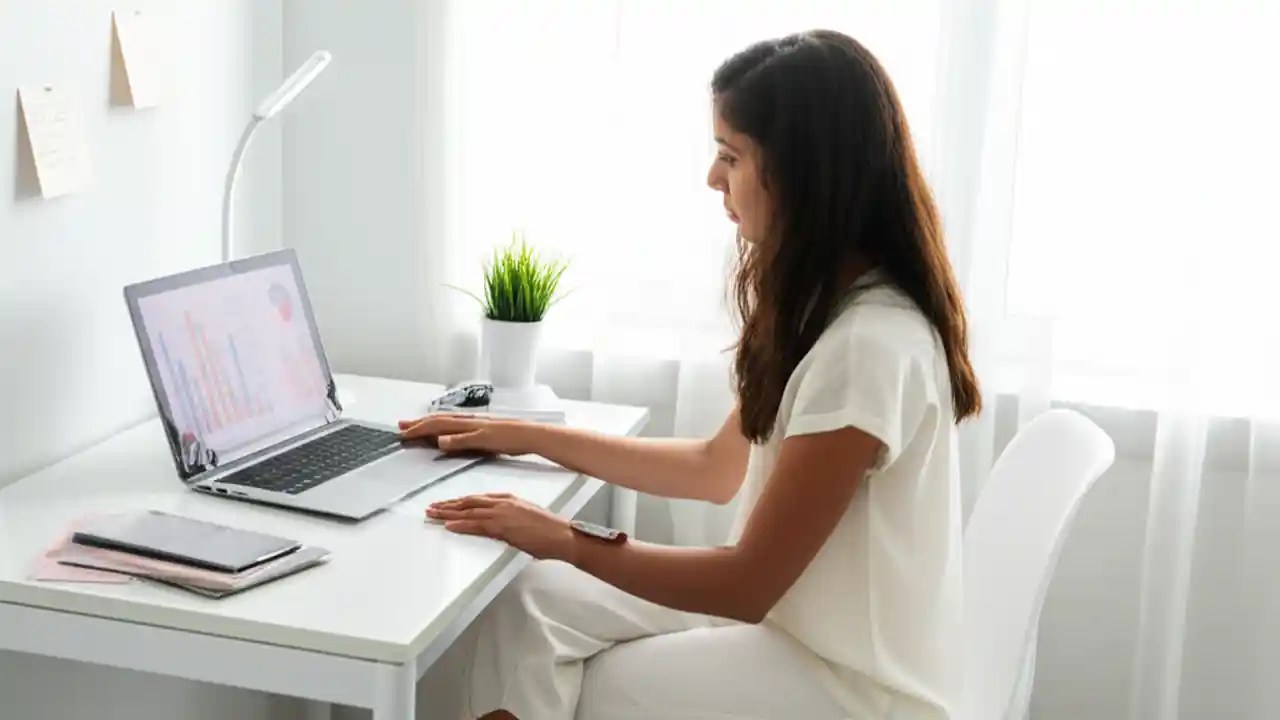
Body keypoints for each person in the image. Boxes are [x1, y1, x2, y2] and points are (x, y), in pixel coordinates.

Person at [399, 29, 981, 720]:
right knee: (533, 600)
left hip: (849, 686)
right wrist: (525, 434)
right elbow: (713, 466)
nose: (713, 178)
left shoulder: (868, 346)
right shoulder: (825, 311)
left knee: (582, 665)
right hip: (797, 632)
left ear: (803, 173)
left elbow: (747, 585)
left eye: (730, 156)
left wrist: (564, 537)